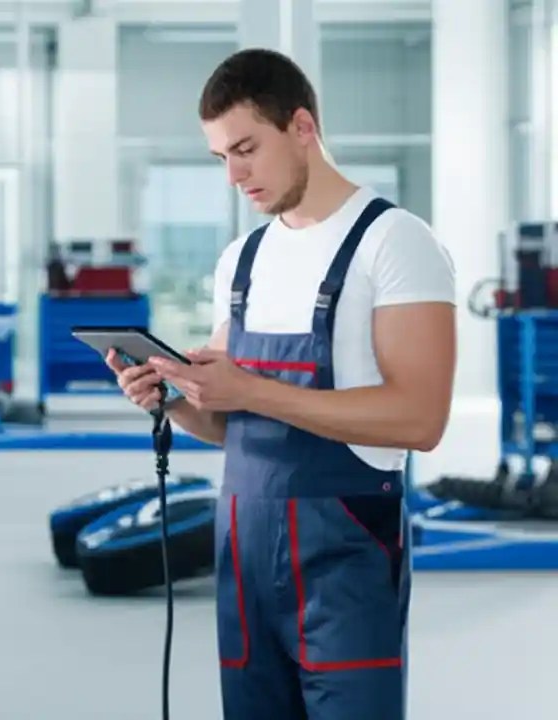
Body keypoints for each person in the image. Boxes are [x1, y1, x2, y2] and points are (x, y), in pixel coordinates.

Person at [105, 48, 456, 720]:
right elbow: (226, 421)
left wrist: (251, 390)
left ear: (301, 127)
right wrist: (172, 396)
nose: (235, 175)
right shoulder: (244, 259)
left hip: (346, 556)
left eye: (246, 149)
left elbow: (420, 419)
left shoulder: (394, 242)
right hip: (242, 551)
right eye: (220, 158)